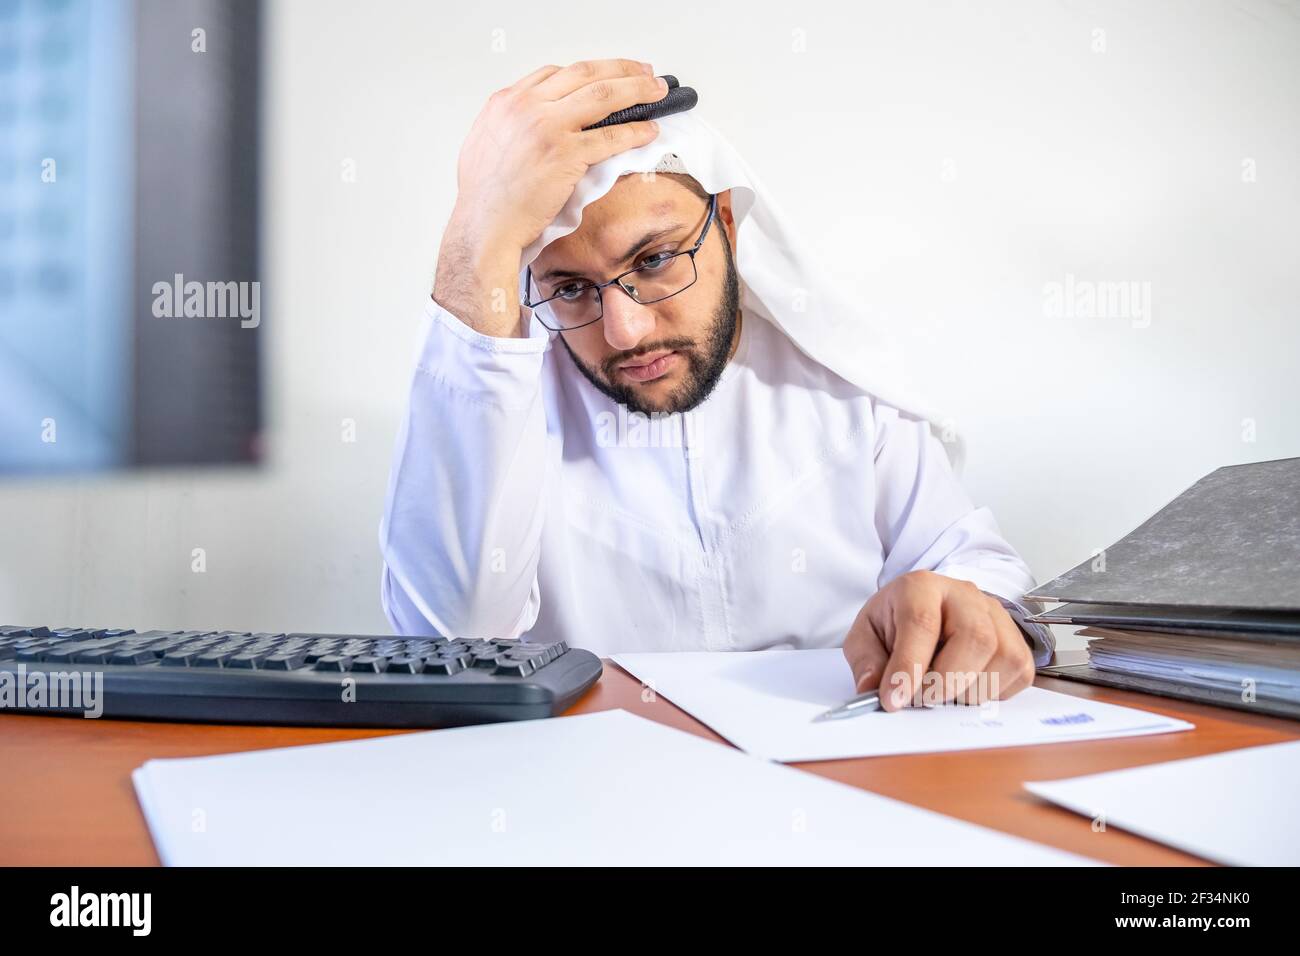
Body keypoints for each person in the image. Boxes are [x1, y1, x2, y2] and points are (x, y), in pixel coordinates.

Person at [379, 58, 1054, 711]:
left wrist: (967, 610)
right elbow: (448, 644)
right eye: (573, 289)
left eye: (656, 258)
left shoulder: (844, 391)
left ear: (725, 222)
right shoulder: (503, 409)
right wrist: (475, 240)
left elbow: (969, 565)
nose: (625, 331)